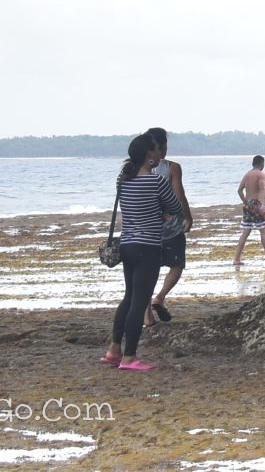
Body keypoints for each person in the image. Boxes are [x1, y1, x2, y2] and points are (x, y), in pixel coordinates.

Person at [102, 131, 181, 371]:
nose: (160, 154)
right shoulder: (156, 181)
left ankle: (114, 349)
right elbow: (175, 206)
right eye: (157, 150)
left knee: (128, 297)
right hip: (148, 246)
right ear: (149, 154)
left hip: (127, 244)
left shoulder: (122, 179)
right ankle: (129, 357)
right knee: (139, 301)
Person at [144, 127, 192, 325]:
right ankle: (160, 297)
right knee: (177, 263)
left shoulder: (132, 168)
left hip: (144, 226)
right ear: (162, 147)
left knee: (147, 270)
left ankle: (146, 314)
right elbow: (178, 195)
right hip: (169, 225)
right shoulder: (172, 168)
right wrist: (187, 216)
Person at [232, 155, 265, 269]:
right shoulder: (260, 174)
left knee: (245, 232)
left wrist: (245, 201)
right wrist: (263, 205)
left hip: (248, 204)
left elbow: (239, 190)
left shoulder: (247, 174)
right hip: (257, 204)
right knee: (264, 231)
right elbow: (262, 189)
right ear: (262, 164)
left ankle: (236, 258)